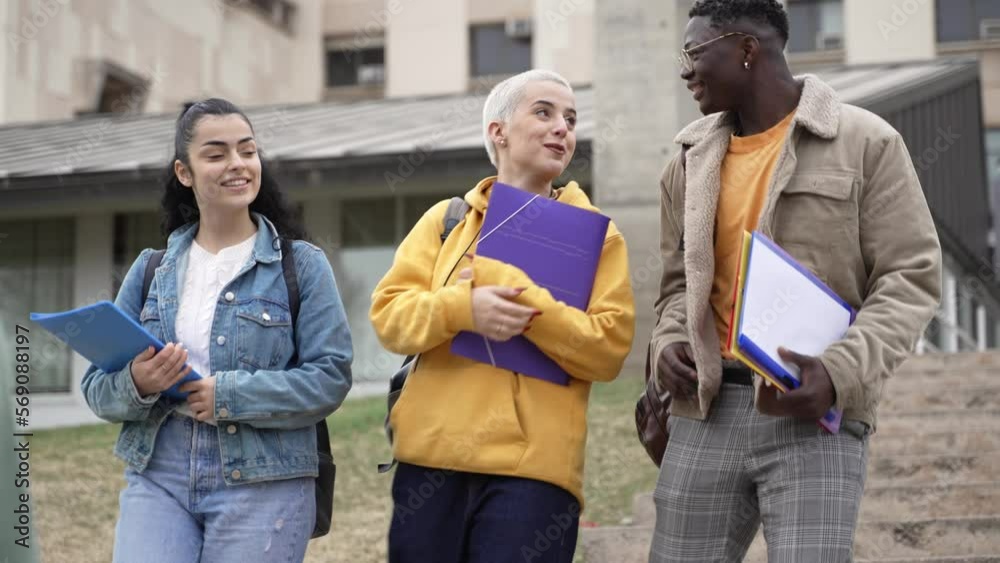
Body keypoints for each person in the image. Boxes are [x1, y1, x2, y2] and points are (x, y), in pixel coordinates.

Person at [648, 1, 942, 561]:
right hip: (707, 410)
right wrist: (668, 342)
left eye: (694, 52)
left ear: (746, 48)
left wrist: (839, 372)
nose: (685, 70)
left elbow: (912, 277)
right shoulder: (687, 161)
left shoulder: (866, 142)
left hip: (813, 413)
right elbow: (673, 289)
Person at [370, 69, 636, 563]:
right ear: (498, 131)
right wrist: (462, 308)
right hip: (430, 463)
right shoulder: (445, 220)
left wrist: (528, 307)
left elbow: (608, 351)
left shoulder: (601, 238)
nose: (563, 128)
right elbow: (390, 317)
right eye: (544, 112)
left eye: (571, 119)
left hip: (535, 474)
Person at [80, 98, 353, 563]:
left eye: (247, 151)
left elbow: (329, 378)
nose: (237, 164)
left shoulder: (302, 264)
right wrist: (140, 382)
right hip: (158, 470)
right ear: (184, 173)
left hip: (267, 474)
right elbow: (96, 388)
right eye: (216, 153)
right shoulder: (152, 270)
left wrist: (228, 395)